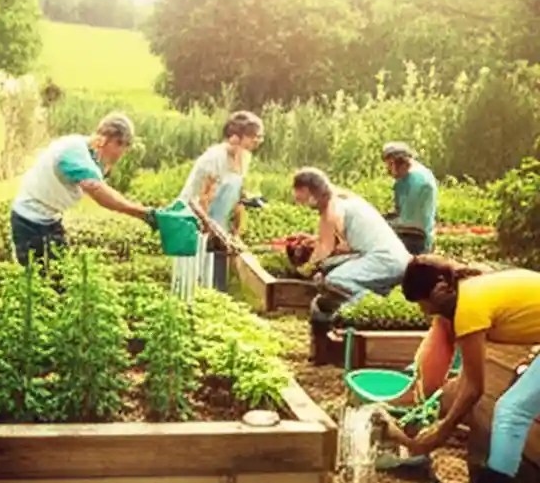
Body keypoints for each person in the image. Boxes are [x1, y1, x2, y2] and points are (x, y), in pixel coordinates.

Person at [384, 256, 540, 483]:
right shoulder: (470, 289)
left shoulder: (468, 307)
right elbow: (469, 376)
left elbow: (474, 388)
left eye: (423, 303)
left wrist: (442, 432)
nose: (424, 312)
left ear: (439, 288)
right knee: (513, 407)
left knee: (512, 411)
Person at [9, 113, 158, 270]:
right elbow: (101, 193)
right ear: (111, 140)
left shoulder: (84, 148)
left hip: (50, 220)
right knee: (41, 282)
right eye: (121, 147)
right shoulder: (75, 154)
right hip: (29, 222)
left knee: (61, 275)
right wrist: (144, 214)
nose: (120, 155)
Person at [290, 168, 413, 355]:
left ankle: (364, 309)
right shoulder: (344, 200)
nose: (306, 205)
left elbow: (325, 249)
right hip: (391, 258)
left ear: (310, 192)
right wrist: (314, 240)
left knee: (334, 280)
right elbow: (342, 245)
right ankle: (344, 315)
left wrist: (302, 271)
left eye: (304, 199)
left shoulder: (332, 208)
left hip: (384, 260)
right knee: (327, 280)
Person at [176, 110, 267, 289]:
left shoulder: (244, 157)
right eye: (253, 137)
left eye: (259, 137)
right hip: (195, 220)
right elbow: (201, 201)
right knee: (195, 276)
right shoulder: (214, 159)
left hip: (218, 221)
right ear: (234, 137)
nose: (257, 142)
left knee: (217, 276)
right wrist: (213, 230)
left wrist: (236, 232)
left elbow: (238, 195)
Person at [381, 142, 438, 255]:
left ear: (399, 163)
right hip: (413, 233)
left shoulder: (417, 181)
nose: (388, 170)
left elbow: (408, 222)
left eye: (390, 165)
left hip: (416, 238)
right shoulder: (405, 179)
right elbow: (399, 211)